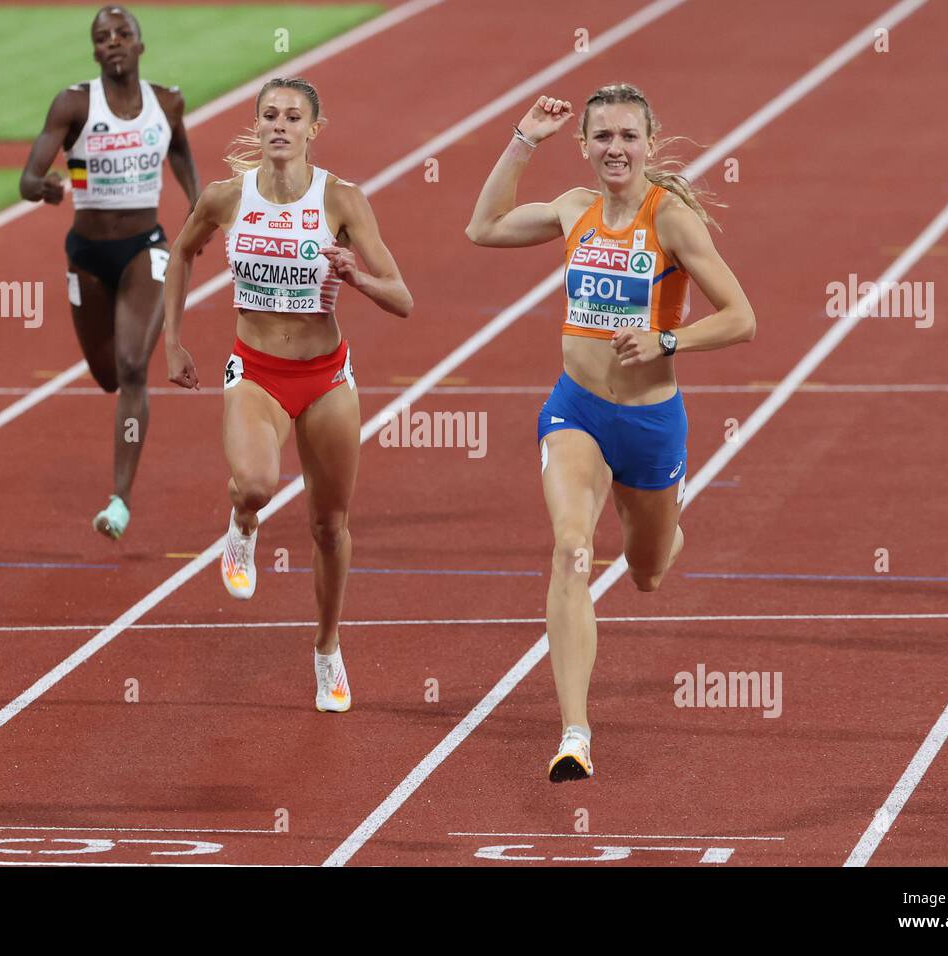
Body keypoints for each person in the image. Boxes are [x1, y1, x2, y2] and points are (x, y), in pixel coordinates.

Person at [466, 85, 756, 781]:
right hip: (579, 412)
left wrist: (666, 338)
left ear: (649, 143)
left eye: (628, 136)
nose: (615, 149)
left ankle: (667, 525)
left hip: (652, 422)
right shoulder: (574, 208)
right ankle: (574, 732)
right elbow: (483, 227)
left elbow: (742, 318)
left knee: (649, 571)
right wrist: (523, 138)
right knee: (571, 549)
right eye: (603, 137)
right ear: (585, 145)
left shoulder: (674, 220)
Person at [163, 77, 413, 712]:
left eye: (292, 116)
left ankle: (327, 648)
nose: (280, 124)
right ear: (257, 126)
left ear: (313, 130)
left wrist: (355, 276)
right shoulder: (226, 198)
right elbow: (181, 255)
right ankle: (242, 523)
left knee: (330, 527)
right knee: (253, 483)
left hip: (327, 378)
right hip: (256, 371)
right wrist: (172, 340)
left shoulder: (343, 200)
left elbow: (403, 299)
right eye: (269, 114)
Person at [19, 4, 202, 539]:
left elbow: (182, 152)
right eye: (104, 37)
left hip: (146, 247)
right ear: (95, 50)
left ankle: (119, 500)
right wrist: (44, 187)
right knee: (106, 375)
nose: (114, 42)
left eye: (124, 33)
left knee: (132, 366)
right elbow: (28, 178)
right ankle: (121, 468)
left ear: (140, 45)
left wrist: (197, 206)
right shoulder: (74, 104)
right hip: (87, 254)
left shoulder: (167, 102)